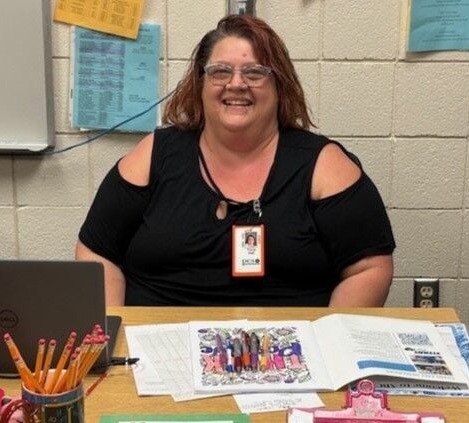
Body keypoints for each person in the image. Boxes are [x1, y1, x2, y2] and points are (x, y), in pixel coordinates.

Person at [75, 15, 395, 307]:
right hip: (160, 344)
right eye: (220, 71)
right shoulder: (154, 155)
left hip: (287, 348)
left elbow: (369, 268)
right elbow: (97, 251)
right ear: (200, 84)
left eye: (254, 72)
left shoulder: (324, 166)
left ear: (279, 85)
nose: (237, 84)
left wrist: (328, 343)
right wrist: (113, 335)